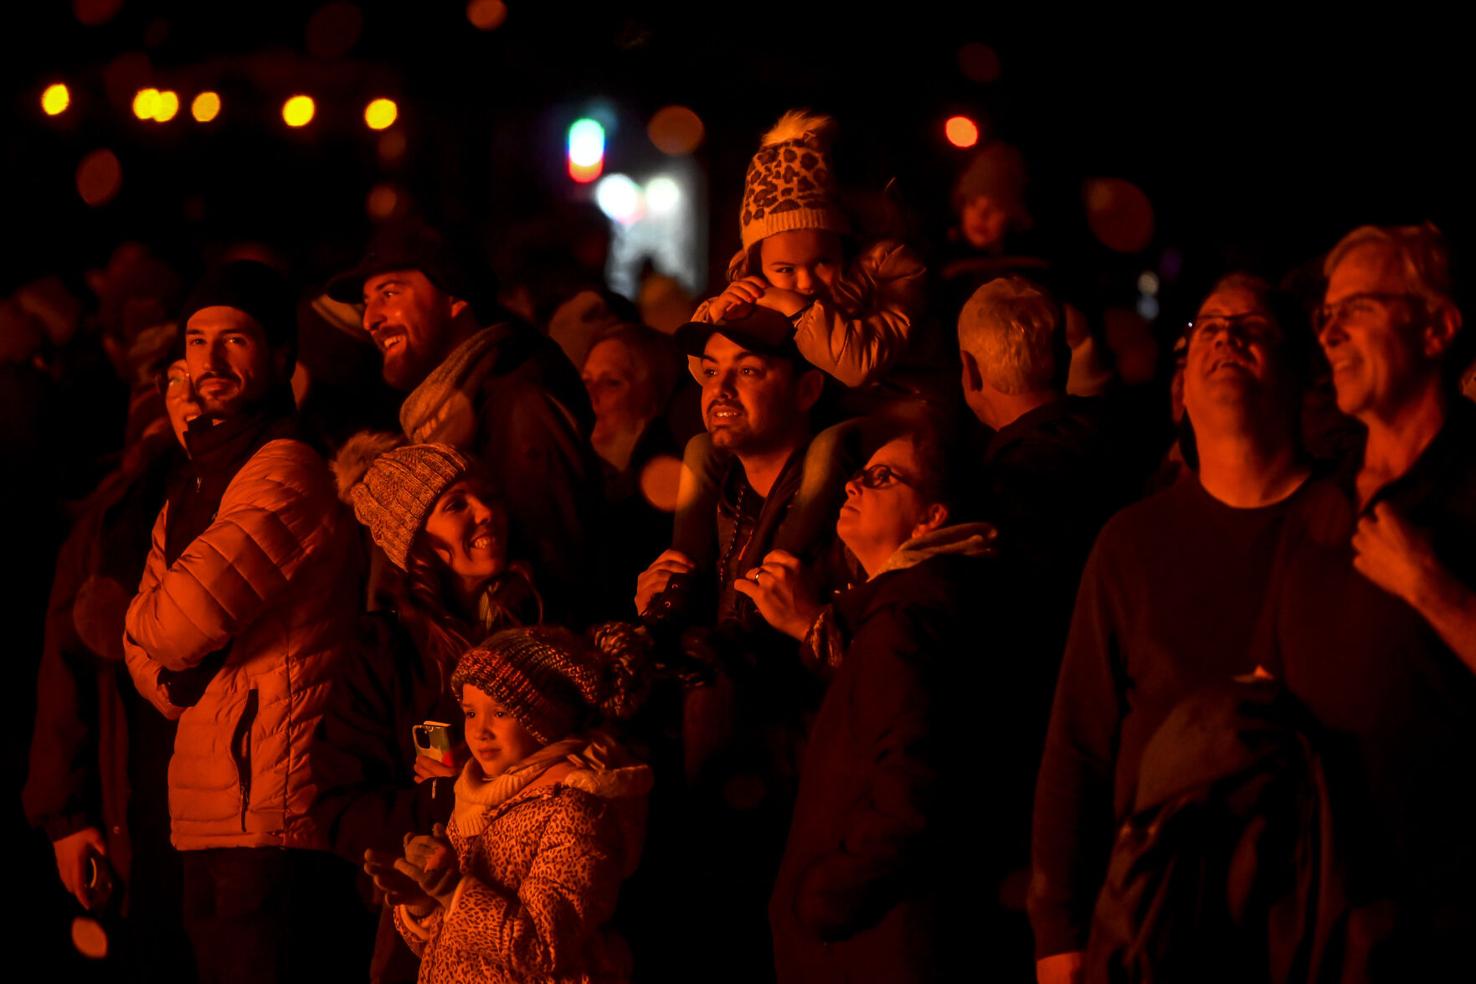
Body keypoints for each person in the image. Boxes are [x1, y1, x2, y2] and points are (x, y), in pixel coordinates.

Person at [1030, 273, 1312, 984]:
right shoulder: (1131, 544)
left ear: (1299, 371)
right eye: (1208, 326)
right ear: (1180, 392)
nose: (1226, 335)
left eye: (1252, 326)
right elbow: (1078, 744)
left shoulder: (1348, 532)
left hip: (1310, 920)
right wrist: (1058, 933)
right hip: (1161, 926)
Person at [122, 260, 367, 983]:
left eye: (237, 341)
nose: (210, 362)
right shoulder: (201, 474)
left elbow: (170, 630)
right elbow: (157, 672)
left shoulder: (281, 468)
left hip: (273, 813)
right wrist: (152, 640)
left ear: (283, 360)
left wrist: (133, 622)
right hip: (216, 808)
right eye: (198, 341)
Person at [1254, 224, 1475, 975]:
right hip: (1326, 923)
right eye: (1325, 314)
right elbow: (1271, 682)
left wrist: (1432, 588)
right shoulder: (1319, 503)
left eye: (1358, 308)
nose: (1330, 330)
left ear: (1438, 328)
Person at [746, 418, 1003, 982]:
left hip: (875, 943)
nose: (852, 487)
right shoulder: (911, 607)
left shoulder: (907, 618)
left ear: (931, 517)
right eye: (856, 476)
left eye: (881, 477)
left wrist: (823, 896)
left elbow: (910, 789)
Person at [315, 437, 545, 982]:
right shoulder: (383, 653)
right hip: (429, 921)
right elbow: (339, 806)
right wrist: (445, 798)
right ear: (413, 539)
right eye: (456, 504)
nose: (486, 512)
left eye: (488, 496)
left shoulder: (544, 625)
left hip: (539, 908)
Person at [326, 220, 600, 618]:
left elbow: (553, 575)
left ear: (454, 297)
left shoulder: (519, 403)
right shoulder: (451, 407)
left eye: (389, 293)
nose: (370, 319)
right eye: (366, 302)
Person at [365, 625, 653, 984]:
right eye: (471, 713)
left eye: (500, 713)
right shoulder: (478, 795)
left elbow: (543, 947)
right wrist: (423, 902)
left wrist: (452, 892)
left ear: (544, 719)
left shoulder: (575, 810)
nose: (480, 731)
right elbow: (454, 945)